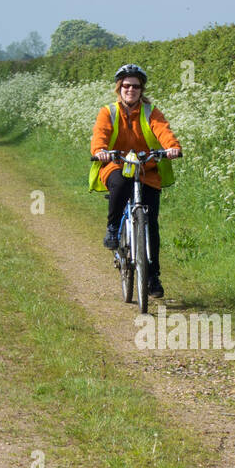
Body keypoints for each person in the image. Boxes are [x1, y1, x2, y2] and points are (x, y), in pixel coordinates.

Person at [90, 64, 182, 299]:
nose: (131, 89)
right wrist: (100, 150)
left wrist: (171, 147)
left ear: (142, 90)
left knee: (151, 224)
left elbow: (163, 130)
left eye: (136, 86)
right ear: (119, 88)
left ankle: (152, 277)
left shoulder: (151, 111)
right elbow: (100, 134)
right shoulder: (108, 112)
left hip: (145, 168)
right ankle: (112, 228)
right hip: (116, 164)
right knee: (120, 183)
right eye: (126, 85)